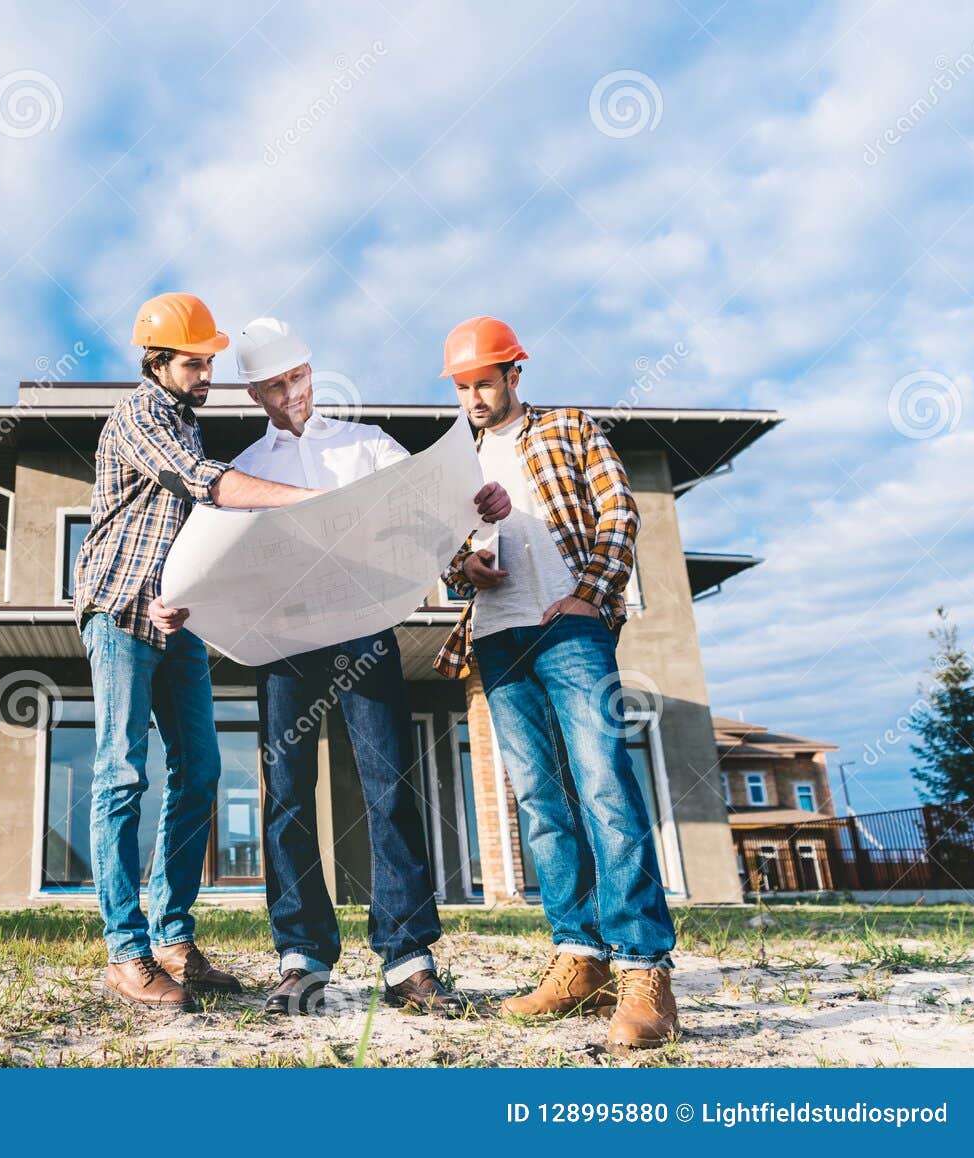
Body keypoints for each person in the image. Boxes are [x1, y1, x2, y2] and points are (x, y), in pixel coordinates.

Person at [228, 317, 510, 1016]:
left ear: (311, 372)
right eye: (271, 387)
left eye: (295, 378)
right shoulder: (247, 469)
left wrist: (471, 531)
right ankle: (301, 957)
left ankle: (407, 960)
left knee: (388, 782)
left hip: (363, 627)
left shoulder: (365, 446)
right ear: (255, 392)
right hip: (288, 636)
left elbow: (428, 511)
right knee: (287, 790)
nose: (287, 394)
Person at [432, 316, 679, 1049]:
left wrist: (591, 593)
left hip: (569, 626)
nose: (474, 396)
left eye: (485, 381)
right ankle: (580, 958)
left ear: (514, 374)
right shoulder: (462, 461)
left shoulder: (568, 427)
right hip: (497, 636)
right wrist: (464, 568)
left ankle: (644, 967)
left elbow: (618, 511)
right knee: (539, 798)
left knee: (603, 781)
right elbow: (450, 559)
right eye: (463, 386)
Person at [72, 292, 321, 1012]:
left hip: (170, 617)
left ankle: (173, 938)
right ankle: (127, 952)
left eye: (211, 359)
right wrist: (304, 502)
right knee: (121, 771)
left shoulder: (183, 419)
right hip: (119, 609)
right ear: (157, 362)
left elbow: (190, 529)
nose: (207, 370)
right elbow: (204, 484)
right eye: (194, 360)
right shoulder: (142, 414)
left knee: (202, 768)